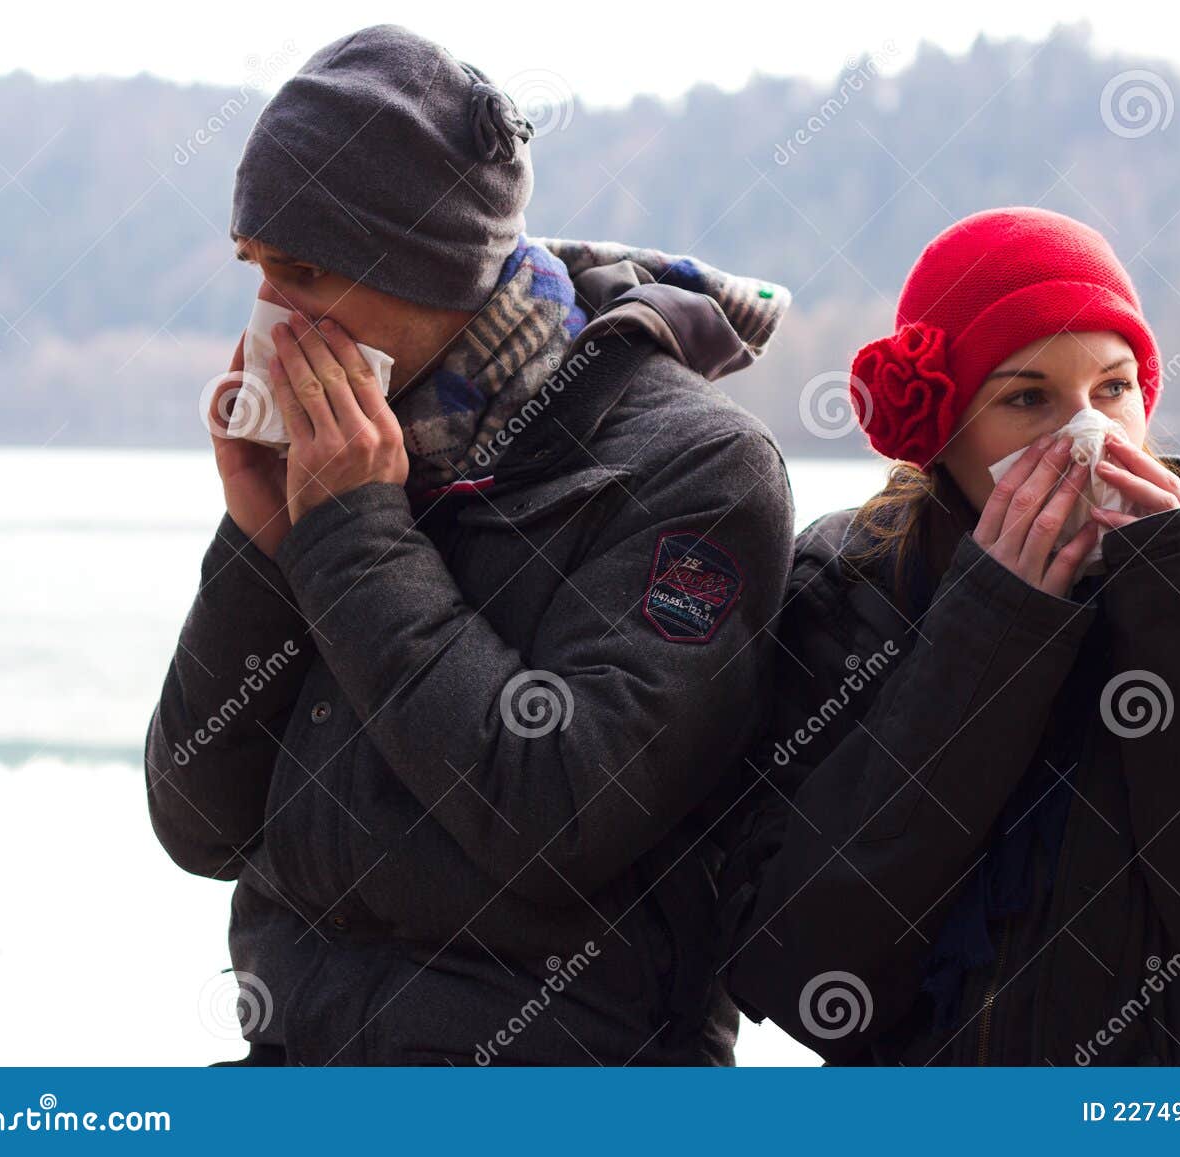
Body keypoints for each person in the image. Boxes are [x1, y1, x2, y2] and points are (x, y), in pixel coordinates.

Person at [143, 24, 794, 1065]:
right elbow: (197, 822)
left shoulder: (695, 469)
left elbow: (558, 815)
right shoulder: (348, 455)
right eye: (255, 266)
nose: (272, 312)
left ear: (437, 270)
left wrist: (355, 535)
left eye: (304, 269)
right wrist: (264, 544)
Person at [715, 206, 1180, 1065]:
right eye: (1027, 398)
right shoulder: (849, 592)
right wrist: (989, 633)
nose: (1085, 436)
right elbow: (800, 977)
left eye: (1113, 389)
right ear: (945, 434)